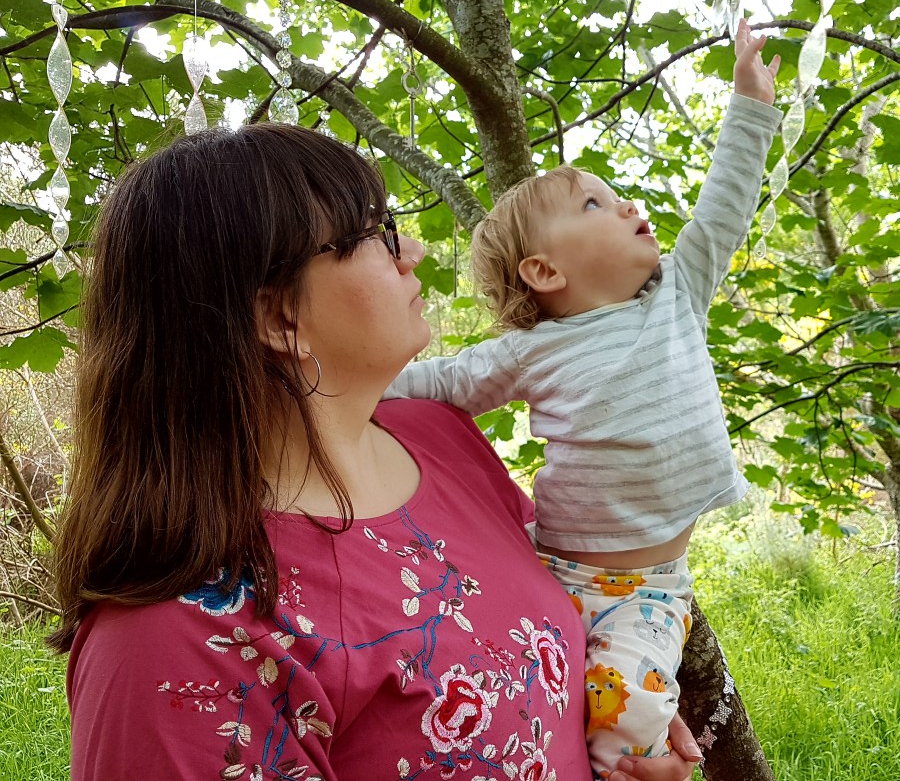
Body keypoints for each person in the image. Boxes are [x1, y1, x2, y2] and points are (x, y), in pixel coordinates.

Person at [50, 122, 703, 781]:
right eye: (375, 235)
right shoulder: (183, 642)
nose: (412, 250)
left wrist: (619, 723)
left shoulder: (438, 436)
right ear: (278, 317)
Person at [384, 19, 781, 778]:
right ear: (543, 271)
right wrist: (331, 384)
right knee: (559, 699)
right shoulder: (533, 352)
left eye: (619, 194)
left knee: (630, 714)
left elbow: (724, 206)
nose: (628, 204)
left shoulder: (676, 294)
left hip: (653, 588)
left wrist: (749, 107)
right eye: (595, 205)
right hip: (554, 569)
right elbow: (438, 383)